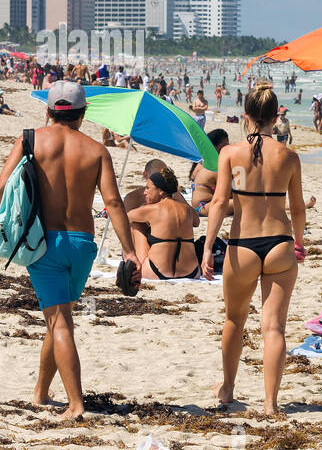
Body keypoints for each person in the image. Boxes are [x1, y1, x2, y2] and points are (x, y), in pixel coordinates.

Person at [0, 80, 133, 421]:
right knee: (59, 317)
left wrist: (19, 220)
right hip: (83, 245)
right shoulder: (97, 151)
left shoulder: (30, 140)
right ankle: (41, 392)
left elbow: (2, 187)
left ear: (48, 111)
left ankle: (75, 404)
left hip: (45, 243)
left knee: (59, 323)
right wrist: (129, 251)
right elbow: (113, 202)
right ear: (82, 115)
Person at [203, 82, 306, 415]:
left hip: (242, 245)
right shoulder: (288, 156)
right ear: (276, 117)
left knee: (234, 320)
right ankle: (270, 403)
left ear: (245, 116)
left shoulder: (230, 154)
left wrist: (207, 248)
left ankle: (228, 389)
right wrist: (300, 242)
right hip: (279, 243)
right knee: (273, 327)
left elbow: (219, 202)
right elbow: (299, 207)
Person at [126, 164, 201, 280]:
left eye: (148, 188)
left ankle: (128, 257)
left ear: (161, 191)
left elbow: (125, 218)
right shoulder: (188, 210)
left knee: (135, 223)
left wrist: (143, 210)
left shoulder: (151, 210)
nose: (144, 192)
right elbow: (197, 222)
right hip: (192, 271)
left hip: (156, 271)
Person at [189, 129, 229, 215]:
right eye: (225, 147)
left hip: (202, 205)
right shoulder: (213, 166)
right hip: (204, 206)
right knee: (242, 203)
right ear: (217, 147)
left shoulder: (202, 161)